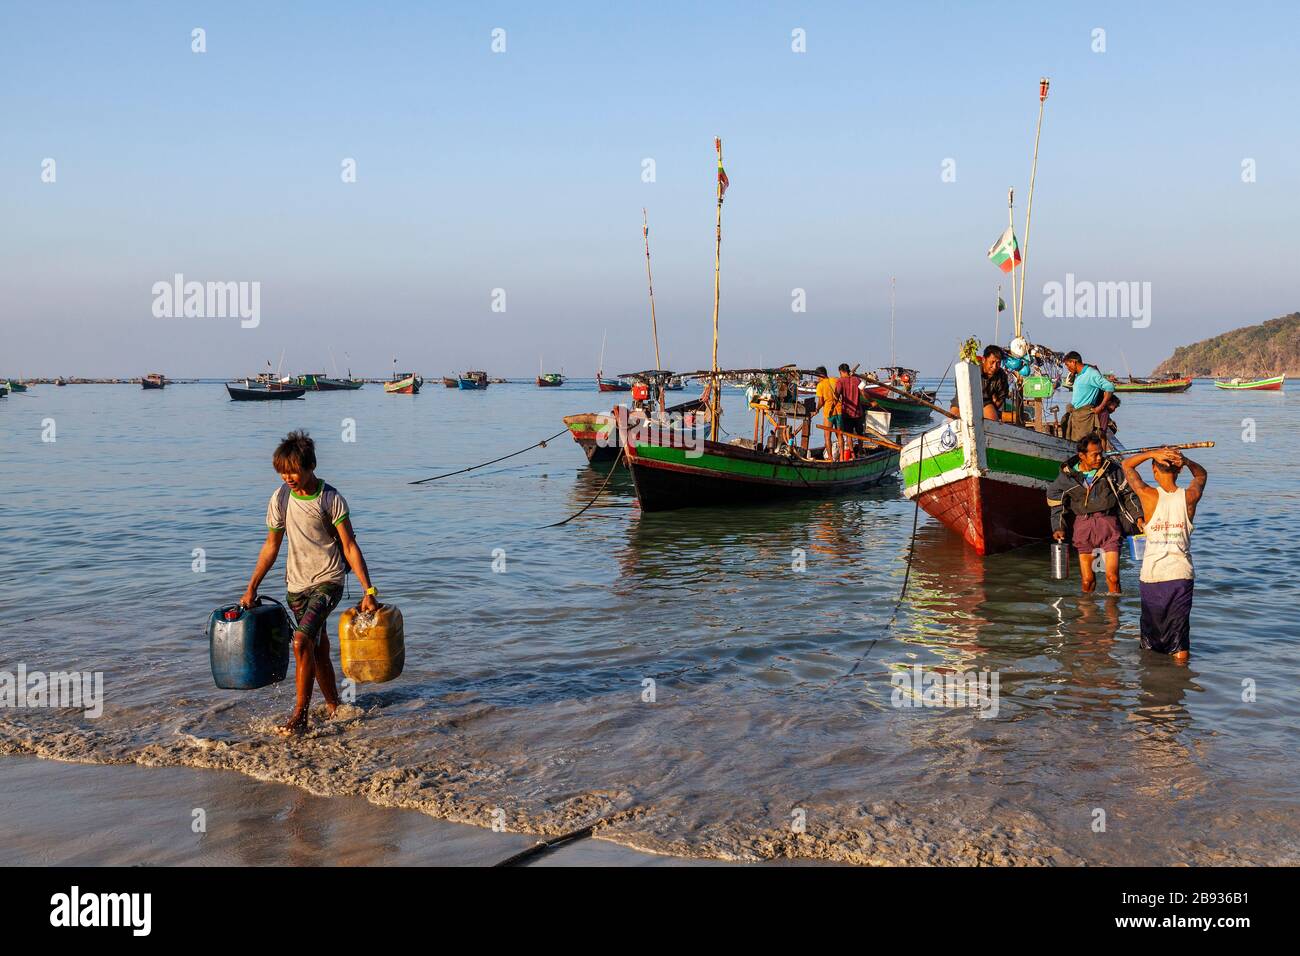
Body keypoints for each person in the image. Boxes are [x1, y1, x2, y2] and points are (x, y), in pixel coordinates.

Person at [240, 430, 379, 735]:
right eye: (283, 471)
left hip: (329, 581)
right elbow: (271, 546)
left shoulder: (330, 498)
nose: (288, 476)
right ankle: (334, 707)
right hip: (296, 586)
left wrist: (369, 590)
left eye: (294, 470)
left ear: (310, 466)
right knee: (317, 649)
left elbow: (350, 546)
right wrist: (252, 587)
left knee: (301, 641)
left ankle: (299, 717)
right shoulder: (280, 498)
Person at [1122, 447, 1207, 662]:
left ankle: (1150, 680)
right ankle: (1180, 678)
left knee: (1151, 635)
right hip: (1180, 575)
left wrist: (1152, 453)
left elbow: (1127, 465)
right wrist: (1186, 460)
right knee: (1179, 635)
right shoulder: (1189, 497)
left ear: (1154, 471)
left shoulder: (1148, 495)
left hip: (1153, 575)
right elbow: (1201, 475)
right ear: (1178, 471)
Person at [1046, 433, 1143, 594]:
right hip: (1083, 528)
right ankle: (1088, 616)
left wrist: (1139, 517)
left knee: (1113, 578)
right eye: (1095, 454)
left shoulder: (1112, 471)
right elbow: (1055, 500)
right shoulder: (1067, 477)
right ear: (1082, 456)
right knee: (1087, 581)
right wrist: (1058, 527)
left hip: (1109, 525)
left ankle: (1113, 617)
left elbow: (1128, 494)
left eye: (1101, 453)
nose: (1099, 458)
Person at [1062, 351, 1117, 445]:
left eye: (1068, 365)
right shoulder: (1079, 375)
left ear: (1074, 362)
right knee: (1073, 443)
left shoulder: (1091, 373)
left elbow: (1109, 387)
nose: (1067, 368)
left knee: (1082, 444)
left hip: (1084, 416)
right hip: (1075, 414)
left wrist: (1100, 407)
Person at [951, 345, 1008, 421]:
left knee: (992, 420)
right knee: (953, 420)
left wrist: (994, 410)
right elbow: (959, 384)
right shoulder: (972, 368)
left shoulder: (1001, 375)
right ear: (984, 359)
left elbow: (1002, 396)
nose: (994, 366)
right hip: (962, 399)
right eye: (992, 362)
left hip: (984, 402)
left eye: (998, 363)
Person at [833, 363, 865, 455]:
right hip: (858, 412)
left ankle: (853, 455)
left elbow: (836, 395)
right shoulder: (857, 380)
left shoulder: (840, 381)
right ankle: (860, 451)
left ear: (841, 372)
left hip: (847, 413)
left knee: (849, 435)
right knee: (860, 434)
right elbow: (863, 392)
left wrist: (833, 406)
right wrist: (871, 401)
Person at [812, 365, 841, 459]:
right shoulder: (835, 380)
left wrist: (817, 409)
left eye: (817, 376)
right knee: (839, 435)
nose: (817, 378)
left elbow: (821, 401)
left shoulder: (820, 385)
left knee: (827, 436)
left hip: (828, 413)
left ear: (820, 375)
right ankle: (842, 458)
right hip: (839, 411)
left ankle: (830, 457)